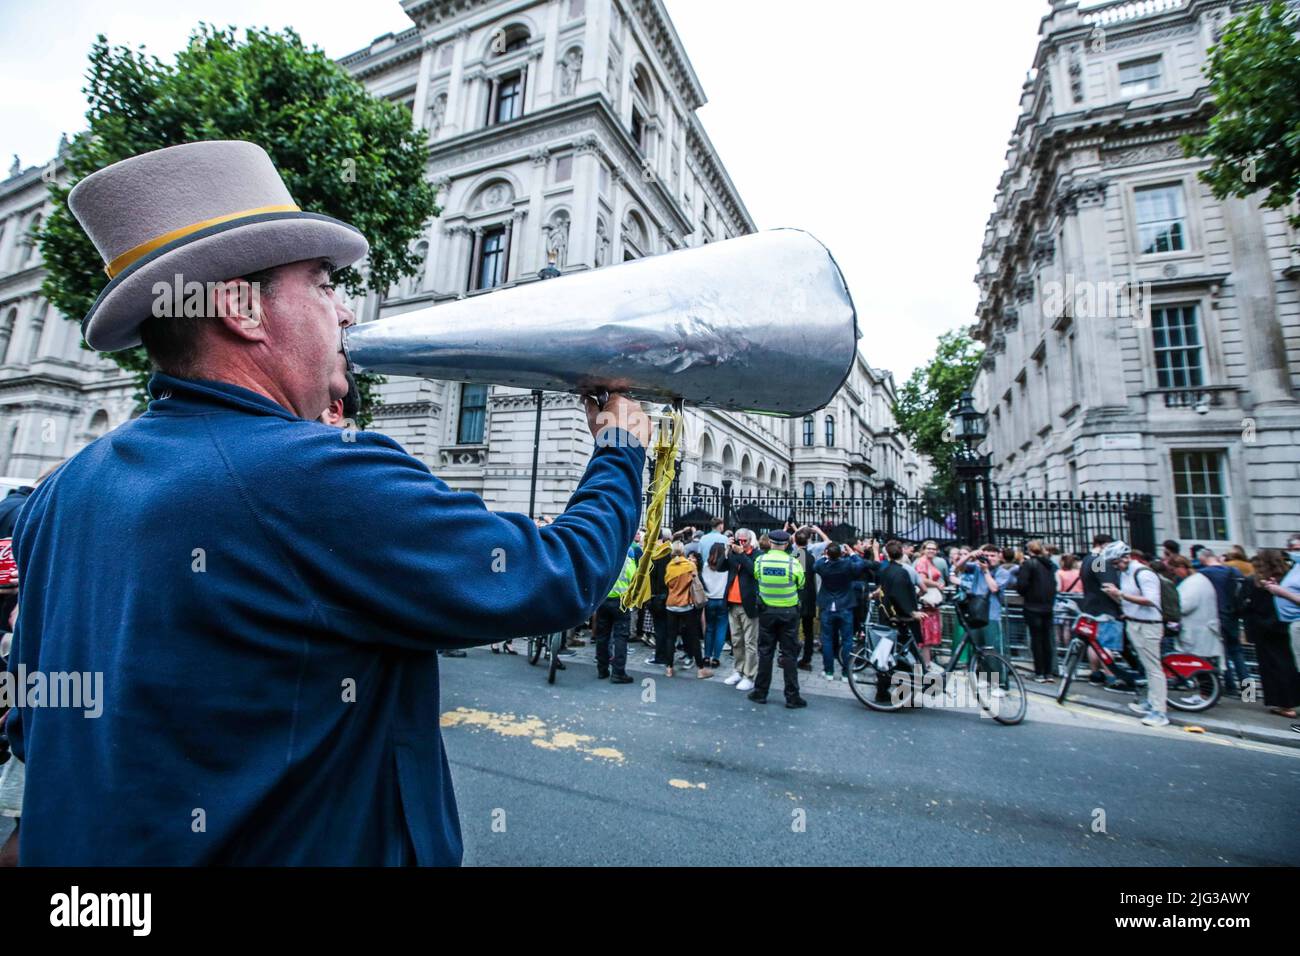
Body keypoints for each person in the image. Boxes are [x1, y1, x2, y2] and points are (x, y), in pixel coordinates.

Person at [4, 140, 649, 866]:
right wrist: (620, 448)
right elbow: (559, 574)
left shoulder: (59, 493)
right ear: (243, 310)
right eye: (320, 283)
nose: (345, 309)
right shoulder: (312, 473)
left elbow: (37, 727)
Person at [1100, 542, 1167, 727]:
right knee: (1147, 668)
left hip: (1148, 626)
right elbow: (1128, 599)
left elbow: (1151, 600)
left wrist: (1120, 594)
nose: (1115, 567)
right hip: (1134, 623)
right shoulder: (1126, 574)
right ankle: (1151, 703)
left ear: (1126, 557)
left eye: (1115, 563)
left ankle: (1160, 712)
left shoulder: (1144, 573)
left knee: (1154, 670)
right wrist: (1114, 594)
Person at [749, 529, 806, 708]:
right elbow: (801, 583)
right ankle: (792, 696)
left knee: (765, 653)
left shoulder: (760, 561)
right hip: (789, 612)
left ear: (771, 543)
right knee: (789, 655)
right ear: (787, 544)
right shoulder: (793, 562)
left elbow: (757, 577)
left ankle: (760, 692)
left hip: (767, 612)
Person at [1241, 550, 1300, 720]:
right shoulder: (1288, 577)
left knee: (1250, 664)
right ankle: (1289, 700)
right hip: (1286, 625)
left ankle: (1249, 697)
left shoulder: (1255, 581)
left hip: (1264, 628)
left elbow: (1245, 604)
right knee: (1289, 664)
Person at [1167, 556, 1224, 696]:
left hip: (1199, 630)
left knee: (1200, 663)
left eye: (1174, 570)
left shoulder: (1194, 583)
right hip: (1204, 628)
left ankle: (1207, 695)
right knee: (1206, 663)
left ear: (1181, 567)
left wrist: (1170, 609)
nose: (1175, 574)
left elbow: (1184, 605)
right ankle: (1214, 694)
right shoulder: (1198, 580)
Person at [1197, 550, 1248, 694]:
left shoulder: (1204, 574)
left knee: (1222, 655)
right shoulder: (1233, 571)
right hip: (1233, 615)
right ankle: (1248, 693)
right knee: (1238, 654)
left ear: (1203, 559)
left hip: (1214, 616)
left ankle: (1230, 688)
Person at [814, 543, 866, 681]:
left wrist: (825, 556)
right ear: (841, 553)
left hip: (827, 605)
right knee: (847, 640)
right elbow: (860, 564)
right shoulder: (848, 564)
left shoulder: (822, 565)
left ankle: (829, 671)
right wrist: (853, 553)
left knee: (827, 639)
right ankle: (845, 673)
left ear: (827, 553)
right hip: (845, 605)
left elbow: (815, 565)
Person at [1080, 533, 1125, 686]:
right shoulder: (1099, 561)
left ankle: (1095, 673)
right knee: (1106, 644)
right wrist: (1121, 603)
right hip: (1104, 608)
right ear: (1104, 544)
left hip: (1090, 606)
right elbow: (1106, 586)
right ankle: (1111, 676)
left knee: (1095, 643)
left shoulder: (1087, 559)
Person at [663, 542, 712, 678]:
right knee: (693, 637)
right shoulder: (690, 566)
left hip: (671, 604)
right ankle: (701, 669)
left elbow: (667, 583)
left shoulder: (669, 566)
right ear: (683, 551)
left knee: (670, 637)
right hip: (686, 605)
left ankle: (669, 668)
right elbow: (696, 583)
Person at [593, 548, 637, 684]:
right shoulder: (629, 563)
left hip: (604, 601)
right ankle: (618, 672)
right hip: (621, 603)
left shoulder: (605, 561)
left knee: (602, 637)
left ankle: (602, 669)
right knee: (620, 637)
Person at [724, 529, 760, 691]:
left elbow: (754, 571)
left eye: (745, 541)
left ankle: (749, 674)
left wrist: (742, 555)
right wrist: (726, 551)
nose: (742, 543)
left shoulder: (757, 555)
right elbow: (720, 567)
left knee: (750, 642)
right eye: (740, 540)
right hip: (732, 602)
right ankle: (738, 670)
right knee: (736, 641)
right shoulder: (733, 553)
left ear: (750, 540)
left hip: (749, 604)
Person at [1018, 540, 1059, 682]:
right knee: (1047, 639)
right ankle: (1049, 672)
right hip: (1047, 606)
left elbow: (1021, 586)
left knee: (1036, 640)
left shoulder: (1029, 564)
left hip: (1032, 606)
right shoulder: (1050, 564)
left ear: (1029, 550)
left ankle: (1039, 672)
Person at [793, 526, 830, 671]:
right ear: (808, 540)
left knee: (795, 628)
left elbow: (798, 578)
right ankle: (806, 658)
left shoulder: (796, 554)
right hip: (810, 595)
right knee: (808, 630)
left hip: (797, 596)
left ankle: (793, 653)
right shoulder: (812, 555)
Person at [913, 540, 945, 668]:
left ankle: (926, 662)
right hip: (927, 602)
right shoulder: (922, 562)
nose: (931, 550)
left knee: (927, 635)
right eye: (929, 548)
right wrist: (937, 584)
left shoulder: (929, 561)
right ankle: (924, 663)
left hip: (931, 603)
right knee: (925, 634)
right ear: (923, 550)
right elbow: (921, 579)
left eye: (934, 549)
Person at [645, 531, 674, 667]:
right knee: (667, 628)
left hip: (656, 596)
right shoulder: (669, 554)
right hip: (668, 594)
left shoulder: (652, 555)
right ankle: (667, 655)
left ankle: (660, 656)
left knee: (660, 629)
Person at [701, 542, 730, 669]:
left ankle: (707, 655)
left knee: (709, 628)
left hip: (709, 599)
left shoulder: (706, 566)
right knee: (721, 629)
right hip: (722, 599)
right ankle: (716, 658)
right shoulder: (725, 566)